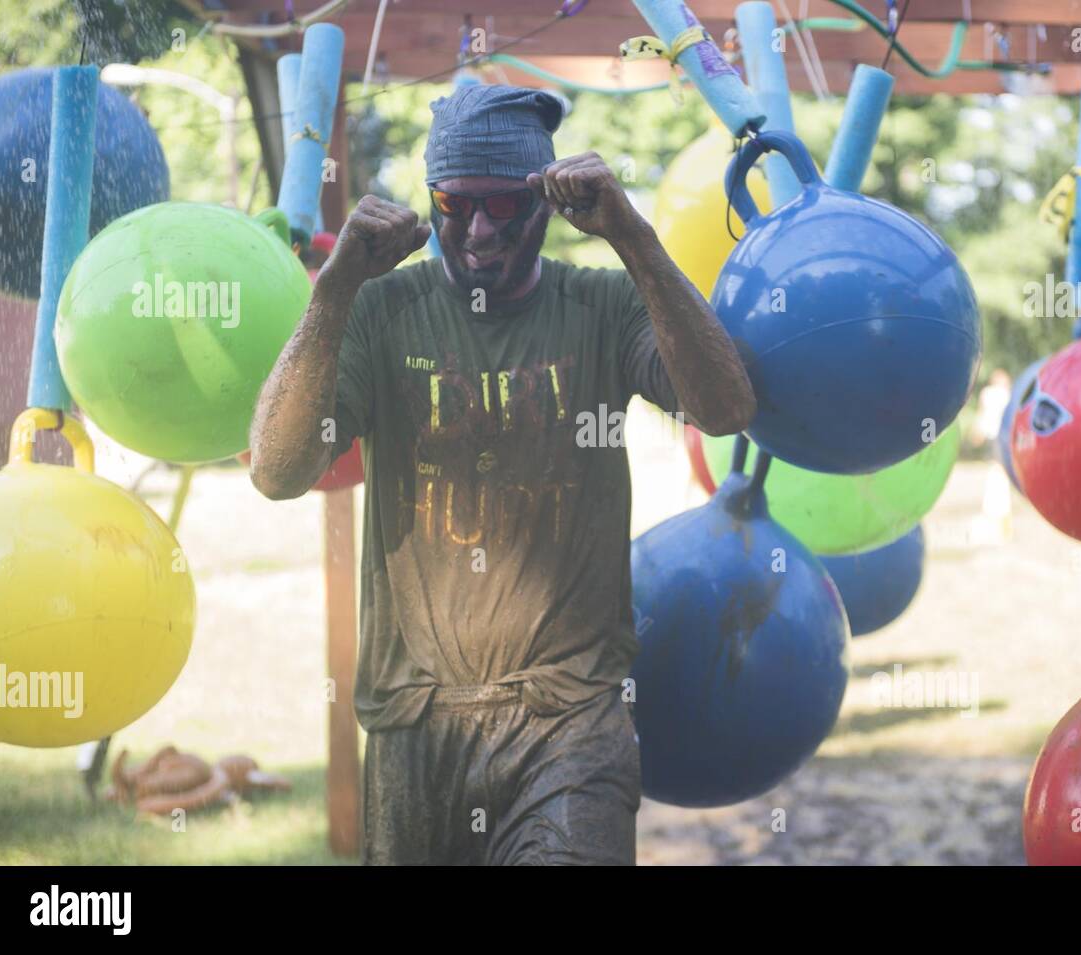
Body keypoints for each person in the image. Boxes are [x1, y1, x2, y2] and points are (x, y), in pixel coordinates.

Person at [248, 85, 755, 865]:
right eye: (453, 203)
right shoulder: (383, 312)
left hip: (570, 723)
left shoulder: (602, 305)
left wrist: (634, 237)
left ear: (544, 201)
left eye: (502, 206)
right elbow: (278, 471)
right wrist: (336, 287)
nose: (478, 231)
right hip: (415, 726)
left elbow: (722, 408)